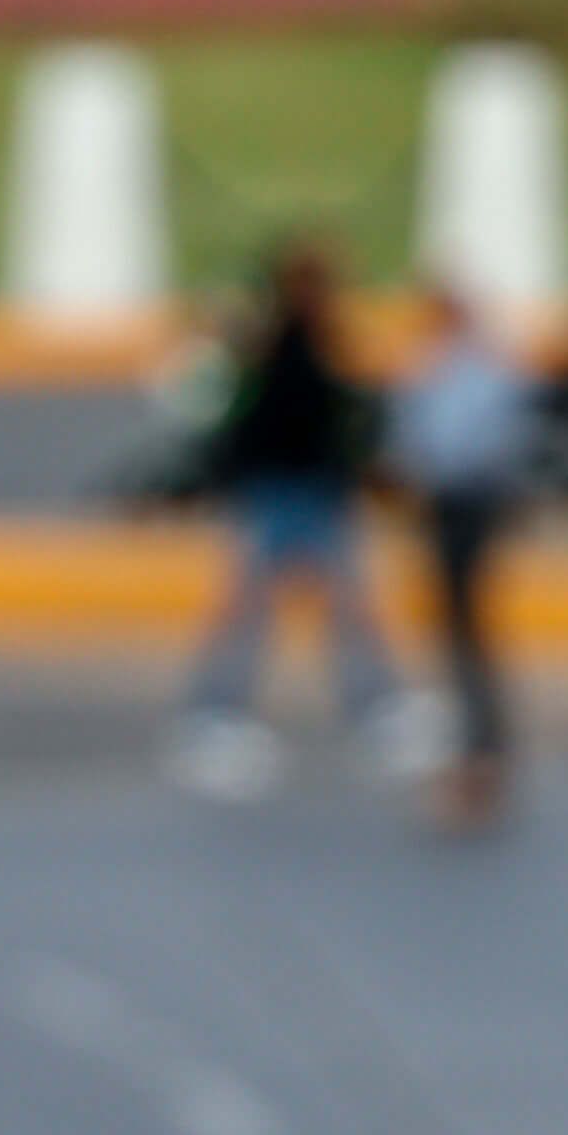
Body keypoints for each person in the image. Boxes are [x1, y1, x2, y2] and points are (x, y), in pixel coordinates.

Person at [170, 243, 395, 799]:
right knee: (252, 612)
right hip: (278, 493)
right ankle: (215, 714)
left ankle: (373, 707)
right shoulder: (274, 349)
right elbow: (250, 421)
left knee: (344, 610)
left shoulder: (312, 346)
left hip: (312, 494)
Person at [387, 288, 537, 828]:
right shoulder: (439, 369)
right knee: (453, 625)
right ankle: (473, 734)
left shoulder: (475, 373)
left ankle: (479, 736)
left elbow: (481, 445)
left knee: (465, 625)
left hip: (470, 505)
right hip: (448, 505)